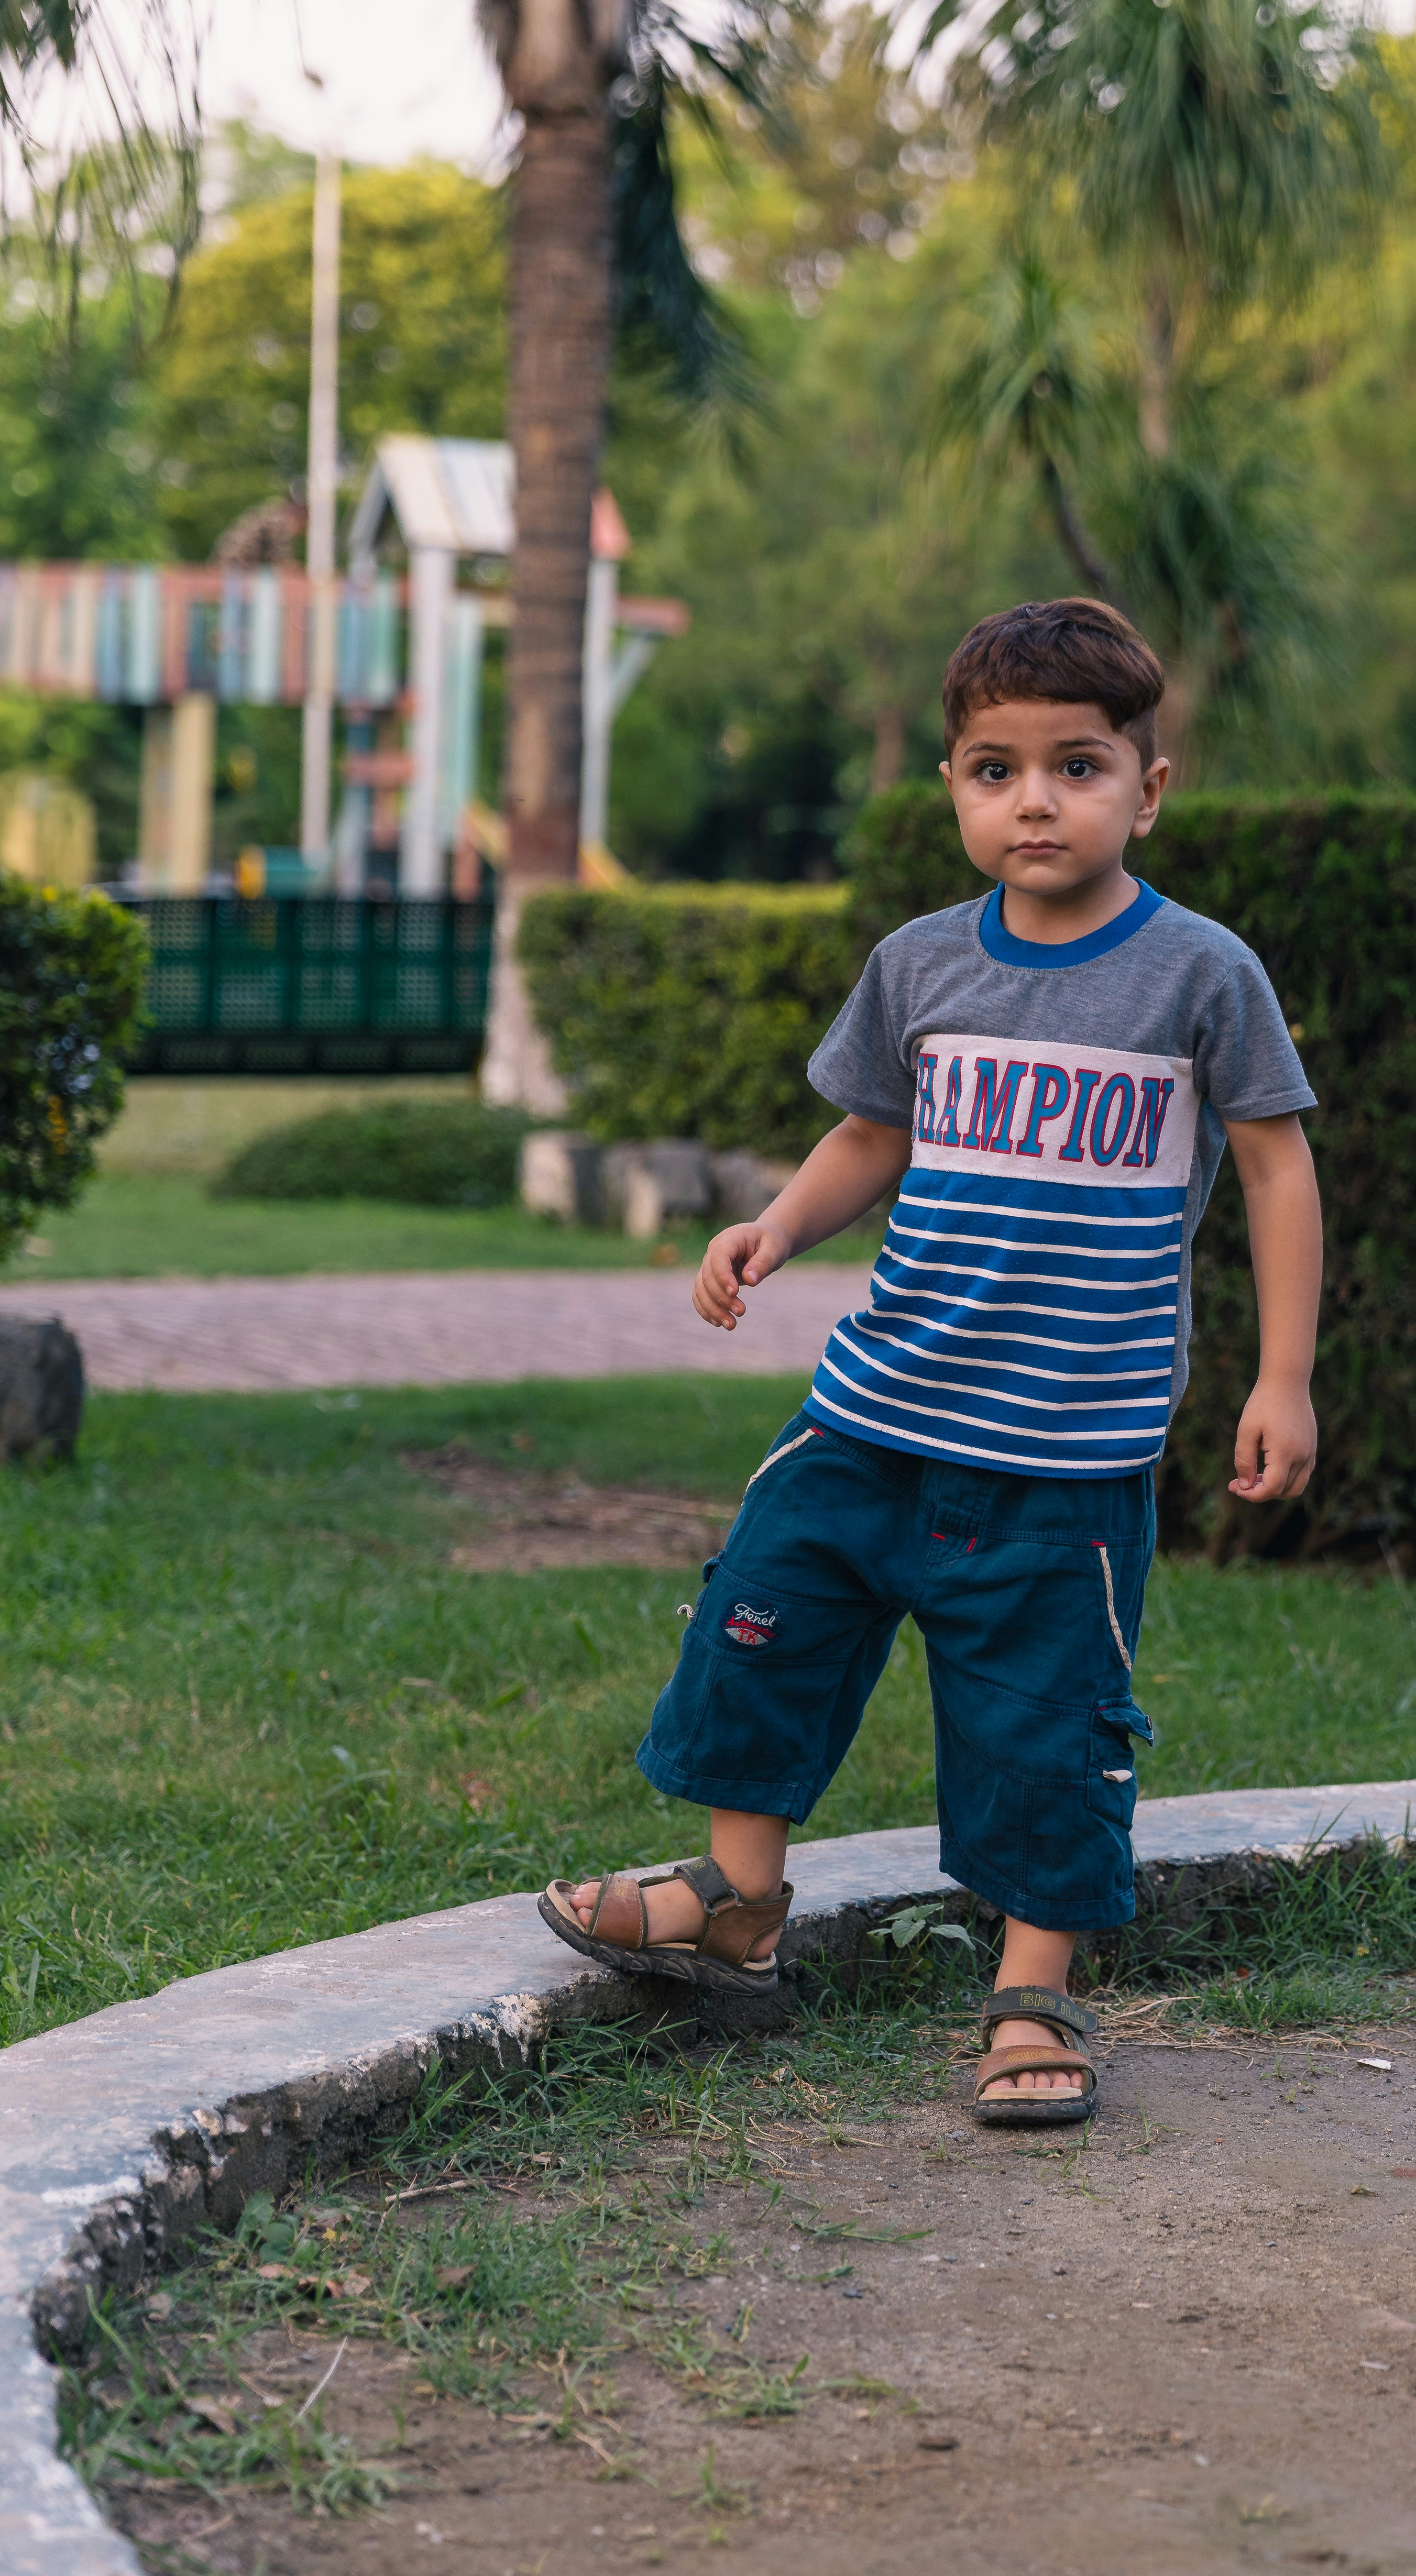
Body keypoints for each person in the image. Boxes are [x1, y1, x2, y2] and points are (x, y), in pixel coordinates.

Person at [541, 598, 1321, 2125]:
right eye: (993, 769)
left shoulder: (1200, 975)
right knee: (766, 1623)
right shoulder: (918, 966)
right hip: (875, 1410)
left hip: (1064, 1454)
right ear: (955, 789)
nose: (1034, 800)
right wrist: (776, 1227)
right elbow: (872, 1134)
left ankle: (1035, 1988)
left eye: (1077, 766)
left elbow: (1279, 1170)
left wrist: (1279, 1374)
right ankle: (735, 1899)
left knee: (1044, 1720)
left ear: (1147, 791)